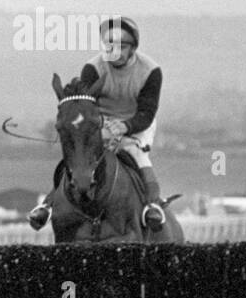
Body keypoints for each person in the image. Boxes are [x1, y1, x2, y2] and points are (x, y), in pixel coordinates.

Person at [28, 16, 167, 232]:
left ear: (133, 48)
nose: (114, 51)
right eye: (109, 45)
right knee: (82, 156)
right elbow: (86, 107)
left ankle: (152, 205)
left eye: (121, 46)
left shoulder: (151, 71)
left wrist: (125, 127)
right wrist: (100, 125)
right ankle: (48, 204)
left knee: (136, 154)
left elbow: (146, 113)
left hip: (137, 123)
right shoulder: (93, 68)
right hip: (101, 121)